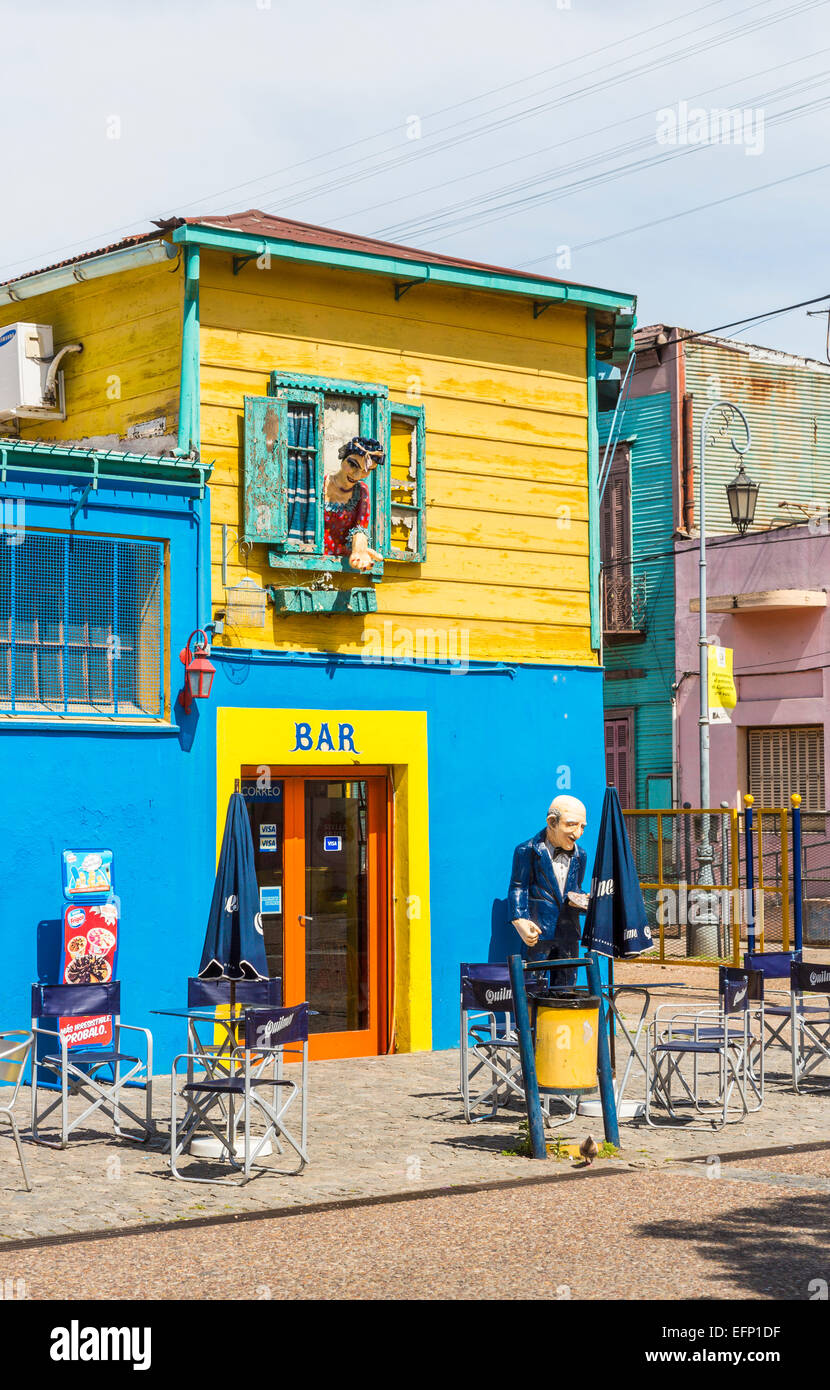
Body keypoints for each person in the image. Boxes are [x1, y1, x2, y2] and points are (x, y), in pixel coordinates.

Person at [508, 795, 590, 987]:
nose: (577, 833)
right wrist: (519, 920)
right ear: (552, 822)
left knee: (567, 986)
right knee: (532, 985)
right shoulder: (526, 850)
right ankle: (531, 1017)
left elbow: (575, 888)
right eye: (571, 825)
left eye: (582, 827)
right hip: (539, 932)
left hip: (568, 933)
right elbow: (518, 887)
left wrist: (581, 900)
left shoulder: (581, 855)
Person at [323, 436, 385, 572]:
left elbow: (360, 528)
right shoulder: (319, 484)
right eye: (353, 465)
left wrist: (359, 549)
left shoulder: (361, 492)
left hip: (342, 567)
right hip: (311, 560)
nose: (357, 475)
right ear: (343, 456)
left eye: (366, 470)